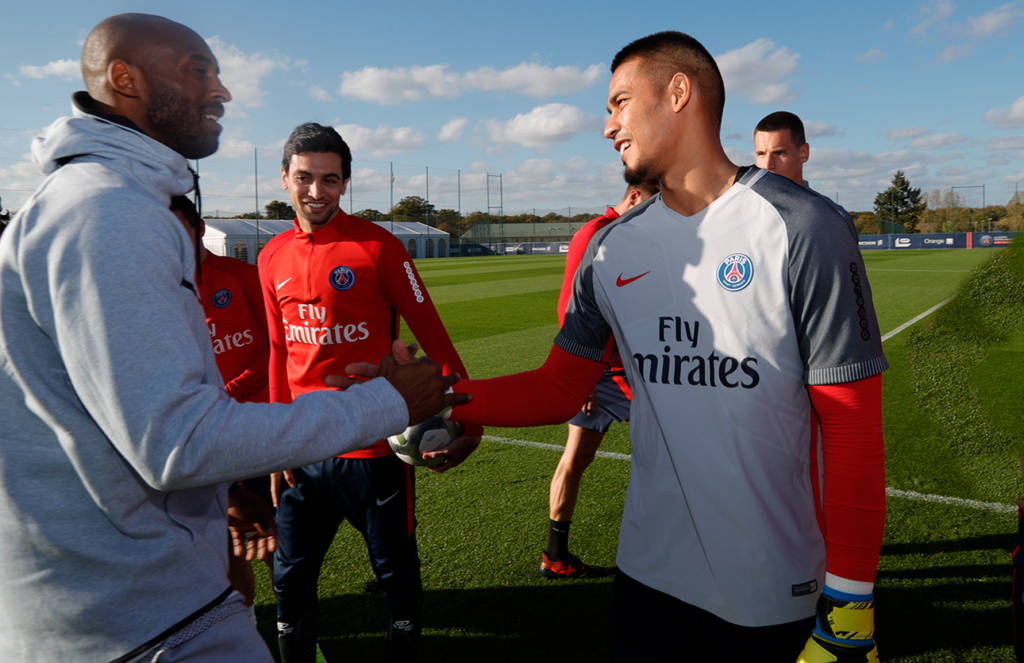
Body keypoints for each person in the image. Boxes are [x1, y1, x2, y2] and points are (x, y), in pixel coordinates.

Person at [388, 31, 887, 662]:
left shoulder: (804, 225)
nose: (607, 127)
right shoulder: (611, 247)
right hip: (647, 579)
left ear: (678, 93)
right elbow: (561, 386)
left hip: (769, 588)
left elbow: (852, 430)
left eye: (619, 103)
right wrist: (440, 398)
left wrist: (850, 604)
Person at [0, 14, 464, 663]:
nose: (221, 91)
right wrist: (386, 404)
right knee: (294, 580)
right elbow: (178, 440)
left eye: (217, 72)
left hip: (159, 600)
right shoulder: (108, 212)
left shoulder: (116, 203)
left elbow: (141, 421)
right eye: (198, 71)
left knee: (392, 567)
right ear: (125, 80)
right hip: (138, 624)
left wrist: (224, 492)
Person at [259, 122, 483, 662]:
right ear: (284, 178)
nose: (317, 192)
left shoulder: (378, 247)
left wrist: (470, 421)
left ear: (346, 182)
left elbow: (433, 337)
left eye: (330, 180)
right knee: (290, 576)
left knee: (395, 568)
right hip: (305, 447)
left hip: (376, 445)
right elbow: (276, 351)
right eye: (305, 178)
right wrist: (274, 445)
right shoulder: (270, 258)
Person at [541, 180, 657, 580]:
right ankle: (556, 556)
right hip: (608, 372)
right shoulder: (593, 233)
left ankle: (556, 557)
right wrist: (583, 376)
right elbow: (568, 308)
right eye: (656, 202)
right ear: (637, 197)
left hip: (621, 366)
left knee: (580, 457)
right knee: (679, 449)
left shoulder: (627, 232)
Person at [171, 193, 276, 612]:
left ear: (198, 229)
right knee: (227, 545)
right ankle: (245, 624)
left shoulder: (240, 276)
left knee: (273, 538)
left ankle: (297, 628)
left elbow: (277, 348)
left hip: (259, 428)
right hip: (205, 438)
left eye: (178, 230)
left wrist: (230, 390)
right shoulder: (155, 292)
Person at [754, 110, 809, 186]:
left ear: (803, 153)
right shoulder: (740, 197)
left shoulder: (814, 198)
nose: (767, 165)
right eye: (761, 154)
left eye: (778, 153)